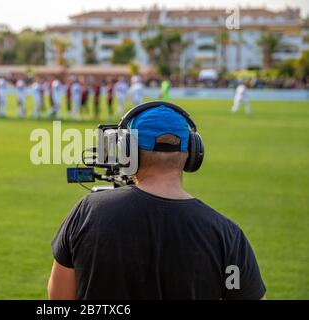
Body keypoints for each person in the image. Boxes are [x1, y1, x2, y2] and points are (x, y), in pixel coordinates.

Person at [48, 102, 266, 300]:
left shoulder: (87, 212)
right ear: (192, 153)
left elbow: (59, 299)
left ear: (127, 151)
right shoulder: (227, 235)